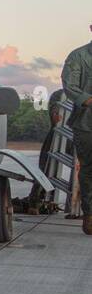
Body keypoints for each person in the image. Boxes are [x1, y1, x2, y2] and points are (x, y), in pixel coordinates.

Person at [60, 28, 92, 235]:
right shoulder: (79, 56)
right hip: (87, 124)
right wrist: (88, 100)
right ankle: (90, 214)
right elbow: (69, 85)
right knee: (89, 169)